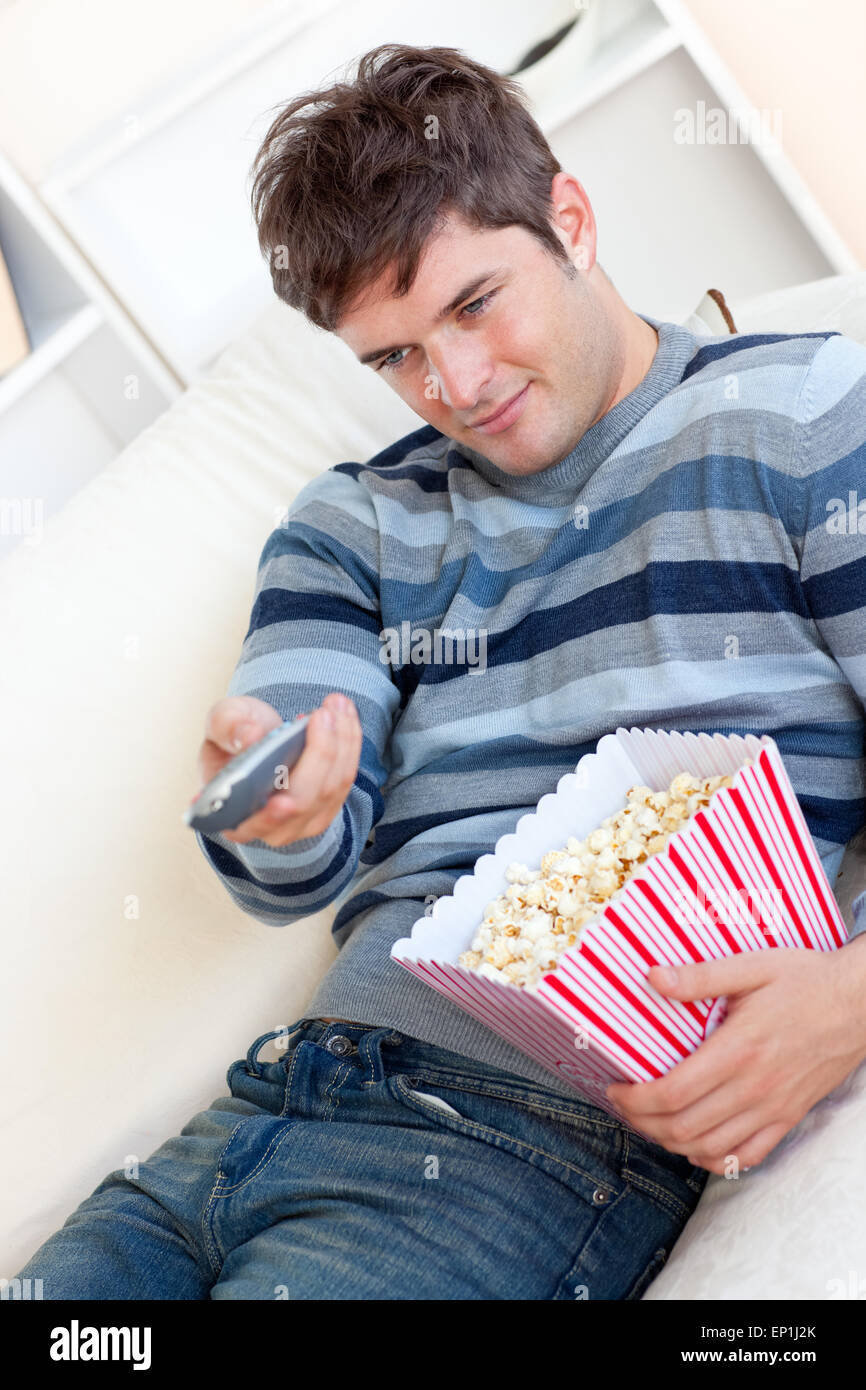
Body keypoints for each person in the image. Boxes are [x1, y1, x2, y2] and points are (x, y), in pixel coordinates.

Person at [14, 43, 866, 1301]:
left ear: (567, 218)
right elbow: (295, 850)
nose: (452, 386)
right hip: (250, 1118)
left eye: (473, 306)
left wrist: (846, 997)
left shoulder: (805, 413)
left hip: (517, 1142)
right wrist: (276, 810)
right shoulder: (354, 523)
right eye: (394, 356)